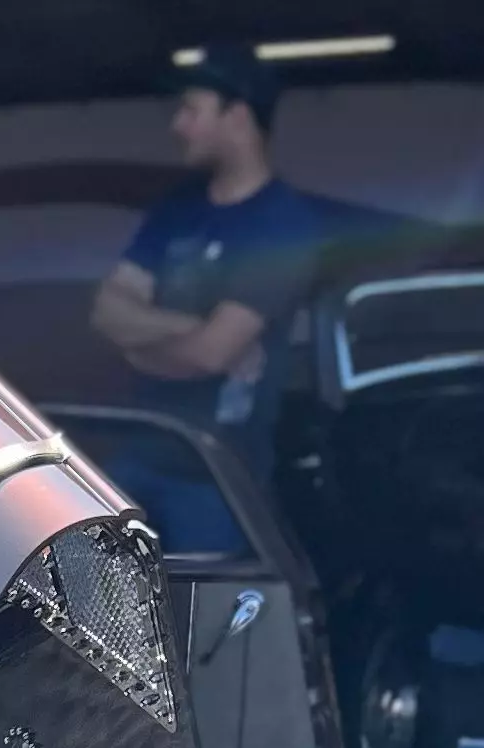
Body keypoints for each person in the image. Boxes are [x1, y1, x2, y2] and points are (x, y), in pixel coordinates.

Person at [90, 45, 330, 543]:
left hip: (218, 475)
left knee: (203, 616)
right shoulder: (176, 209)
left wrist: (143, 342)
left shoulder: (283, 224)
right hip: (137, 457)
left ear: (237, 115)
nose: (178, 125)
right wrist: (185, 329)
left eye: (192, 110)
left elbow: (212, 355)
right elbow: (106, 311)